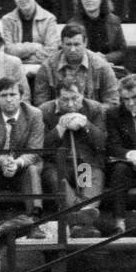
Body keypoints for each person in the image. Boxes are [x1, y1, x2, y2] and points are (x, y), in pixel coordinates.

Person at [0, 77, 46, 224]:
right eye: (3, 96)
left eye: (13, 95)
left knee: (32, 168)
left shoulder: (34, 114)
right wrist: (1, 162)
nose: (9, 99)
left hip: (22, 167)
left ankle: (34, 218)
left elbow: (34, 150)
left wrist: (17, 163)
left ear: (21, 97)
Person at [41, 77, 109, 235]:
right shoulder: (45, 110)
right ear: (57, 97)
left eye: (75, 99)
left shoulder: (94, 108)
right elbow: (42, 147)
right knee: (55, 178)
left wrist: (86, 125)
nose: (70, 104)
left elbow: (101, 143)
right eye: (65, 100)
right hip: (59, 165)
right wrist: (60, 128)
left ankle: (77, 222)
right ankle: (85, 222)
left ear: (83, 95)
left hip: (83, 165)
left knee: (93, 176)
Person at [33, 23, 119, 108]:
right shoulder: (47, 67)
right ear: (61, 43)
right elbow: (41, 104)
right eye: (68, 44)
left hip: (92, 118)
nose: (72, 50)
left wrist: (90, 112)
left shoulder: (101, 66)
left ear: (85, 43)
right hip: (58, 118)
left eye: (77, 44)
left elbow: (112, 102)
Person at [69, 0, 127, 68]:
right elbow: (71, 52)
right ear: (80, 0)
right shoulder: (73, 24)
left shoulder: (114, 21)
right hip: (83, 70)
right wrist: (93, 58)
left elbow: (121, 51)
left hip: (109, 68)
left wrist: (105, 58)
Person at [0, 0, 60, 66]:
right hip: (15, 69)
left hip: (41, 69)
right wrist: (34, 47)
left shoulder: (49, 19)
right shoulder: (7, 20)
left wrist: (24, 59)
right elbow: (7, 50)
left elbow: (52, 51)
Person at [106, 75, 136, 231]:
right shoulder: (114, 114)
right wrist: (131, 155)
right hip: (129, 164)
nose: (130, 103)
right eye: (125, 99)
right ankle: (119, 222)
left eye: (134, 98)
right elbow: (113, 146)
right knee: (119, 170)